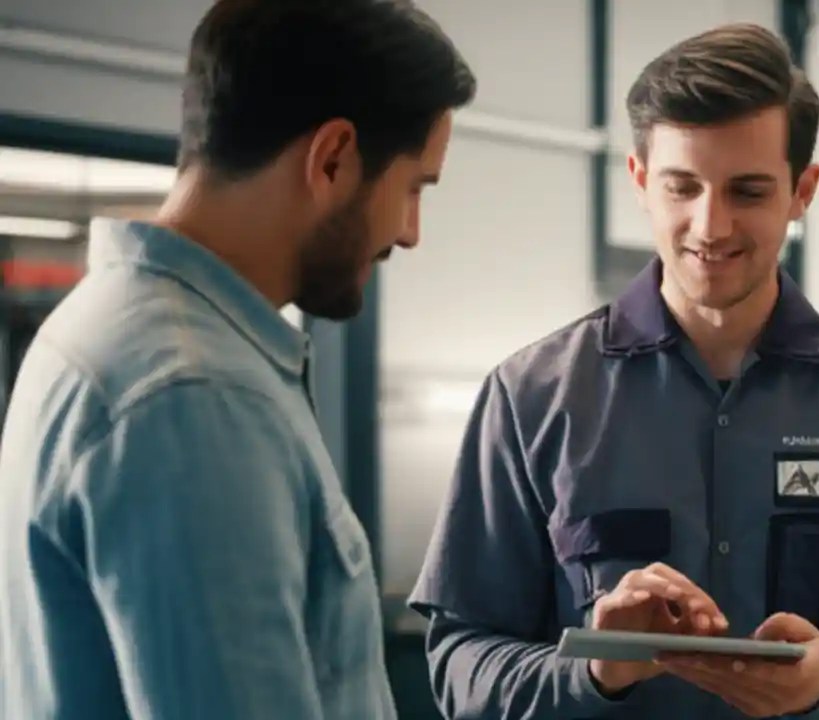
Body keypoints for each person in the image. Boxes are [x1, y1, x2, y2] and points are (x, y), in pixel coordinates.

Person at [411, 22, 819, 720]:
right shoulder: (530, 398)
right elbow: (460, 666)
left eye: (747, 192)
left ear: (802, 191)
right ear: (639, 180)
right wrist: (597, 670)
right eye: (682, 187)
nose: (710, 226)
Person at [0, 1, 474, 718]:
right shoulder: (196, 394)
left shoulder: (105, 328)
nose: (409, 233)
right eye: (414, 188)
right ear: (334, 158)